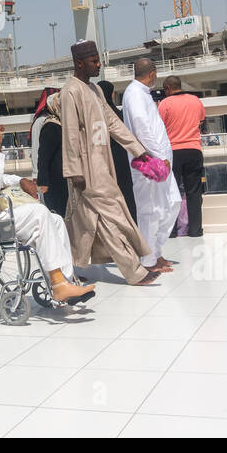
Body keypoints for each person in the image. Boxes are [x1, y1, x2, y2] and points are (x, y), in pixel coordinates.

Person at [0, 122, 95, 304]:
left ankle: (65, 282)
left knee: (55, 220)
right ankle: (58, 282)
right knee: (39, 213)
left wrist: (20, 180)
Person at [59, 41, 166, 287]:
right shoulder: (70, 91)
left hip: (102, 163)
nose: (99, 65)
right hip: (86, 168)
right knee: (115, 212)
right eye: (94, 61)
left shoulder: (95, 90)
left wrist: (138, 151)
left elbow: (113, 124)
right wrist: (74, 170)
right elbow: (71, 134)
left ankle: (65, 269)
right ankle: (135, 270)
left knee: (87, 222)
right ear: (79, 63)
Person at [121, 58, 182, 272]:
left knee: (172, 203)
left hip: (162, 164)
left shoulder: (142, 93)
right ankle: (148, 261)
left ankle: (156, 252)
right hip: (149, 163)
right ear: (153, 74)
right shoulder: (134, 93)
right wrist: (157, 155)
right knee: (150, 211)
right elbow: (141, 126)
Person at [158, 75, 206, 237]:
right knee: (194, 192)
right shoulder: (195, 100)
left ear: (168, 89)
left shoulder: (165, 104)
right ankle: (195, 230)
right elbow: (201, 120)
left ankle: (171, 231)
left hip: (173, 152)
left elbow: (159, 127)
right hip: (194, 150)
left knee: (171, 192)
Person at [97, 79, 138, 221]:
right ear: (111, 94)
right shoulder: (118, 115)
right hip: (121, 159)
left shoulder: (96, 115)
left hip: (104, 161)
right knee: (126, 194)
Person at [30, 88, 68, 218]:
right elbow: (39, 152)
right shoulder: (44, 122)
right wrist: (38, 176)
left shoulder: (61, 121)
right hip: (48, 178)